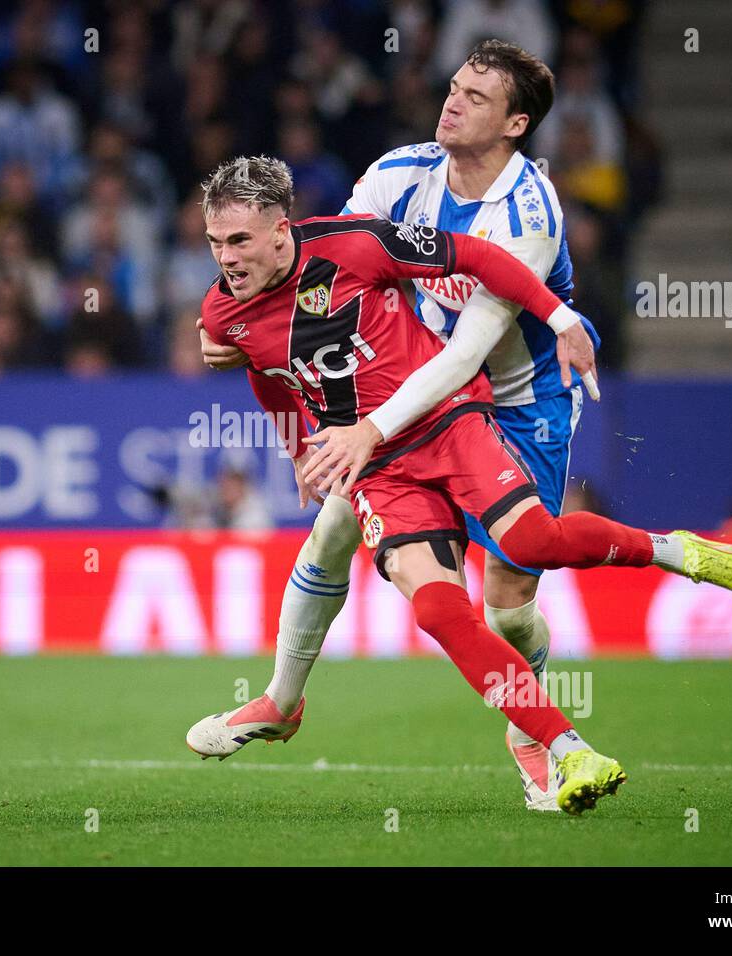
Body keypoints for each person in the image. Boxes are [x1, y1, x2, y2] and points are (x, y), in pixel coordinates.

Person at [186, 155, 732, 815]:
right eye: (213, 243)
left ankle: (674, 551)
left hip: (446, 417)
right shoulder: (221, 311)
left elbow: (480, 259)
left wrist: (560, 319)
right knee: (437, 609)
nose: (226, 258)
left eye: (238, 241)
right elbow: (268, 371)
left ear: (281, 231)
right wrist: (297, 449)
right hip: (376, 468)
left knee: (535, 542)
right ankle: (568, 747)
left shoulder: (356, 245)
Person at [197, 40, 605, 811]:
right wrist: (242, 320)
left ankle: (528, 728)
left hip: (516, 397)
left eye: (476, 98)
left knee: (511, 595)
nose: (452, 103)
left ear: (516, 122)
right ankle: (282, 701)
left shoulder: (528, 210)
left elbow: (468, 356)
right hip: (413, 391)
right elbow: (326, 268)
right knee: (332, 529)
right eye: (454, 88)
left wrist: (366, 430)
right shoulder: (396, 174)